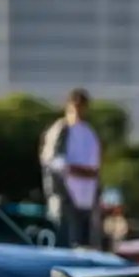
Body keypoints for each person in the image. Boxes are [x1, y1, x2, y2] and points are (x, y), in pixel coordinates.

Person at [39, 89, 102, 248]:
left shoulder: (89, 133)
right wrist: (76, 170)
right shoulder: (61, 129)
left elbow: (94, 165)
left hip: (86, 198)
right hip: (65, 195)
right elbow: (51, 159)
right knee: (64, 238)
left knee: (84, 242)